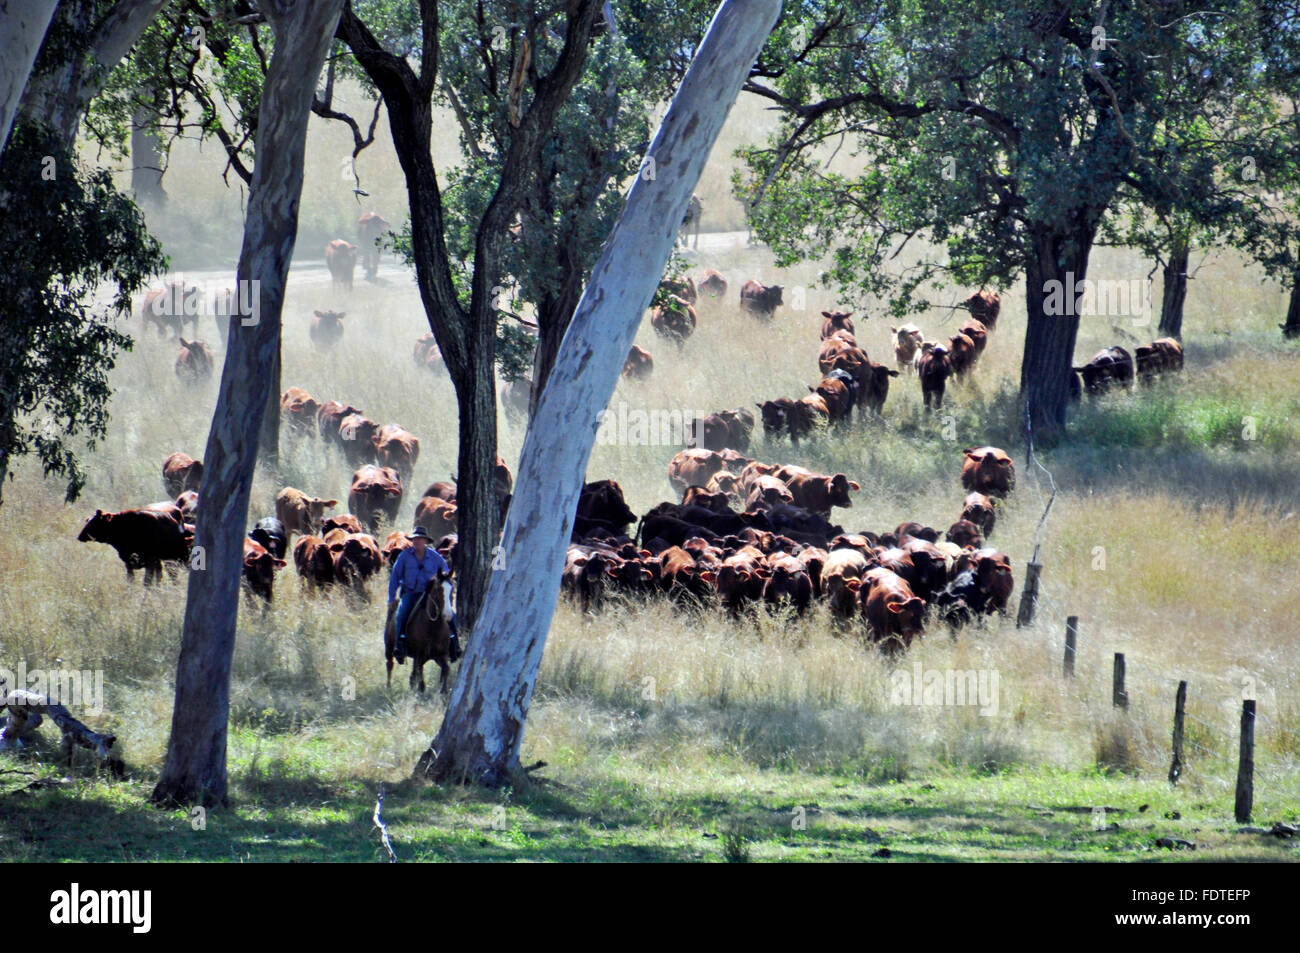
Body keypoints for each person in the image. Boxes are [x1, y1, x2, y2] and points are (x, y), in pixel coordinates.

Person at [388, 526, 458, 663]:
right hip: (410, 593)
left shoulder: (434, 556)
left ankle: (454, 645)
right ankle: (399, 645)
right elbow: (395, 577)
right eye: (415, 539)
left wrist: (443, 580)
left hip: (429, 594)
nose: (417, 542)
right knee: (401, 613)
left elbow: (445, 571)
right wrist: (391, 598)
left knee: (451, 615)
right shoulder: (404, 556)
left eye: (420, 539)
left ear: (425, 541)